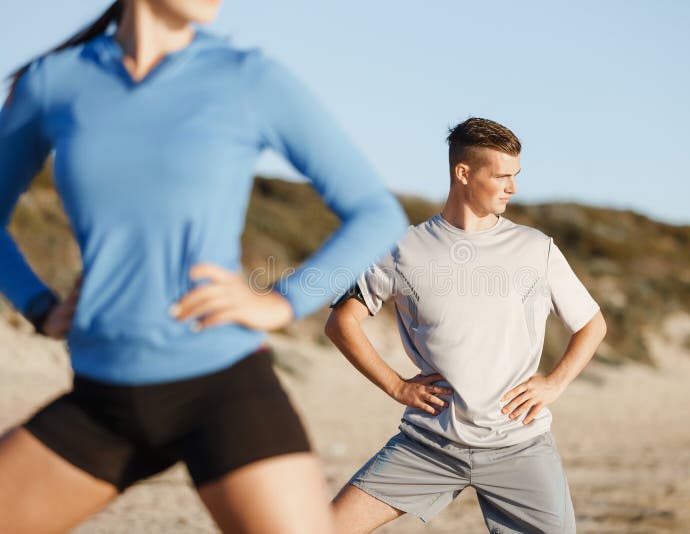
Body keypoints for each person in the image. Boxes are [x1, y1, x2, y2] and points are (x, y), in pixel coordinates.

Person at [0, 1, 407, 532]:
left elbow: (376, 213)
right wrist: (37, 304)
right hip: (102, 397)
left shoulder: (247, 78)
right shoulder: (56, 82)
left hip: (223, 389)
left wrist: (281, 302)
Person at [326, 117, 607, 533]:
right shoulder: (403, 249)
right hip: (429, 445)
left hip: (519, 446)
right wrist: (397, 385)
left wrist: (554, 383)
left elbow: (592, 324)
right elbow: (341, 322)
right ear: (463, 173)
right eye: (502, 176)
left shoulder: (535, 249)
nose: (513, 188)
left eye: (516, 176)